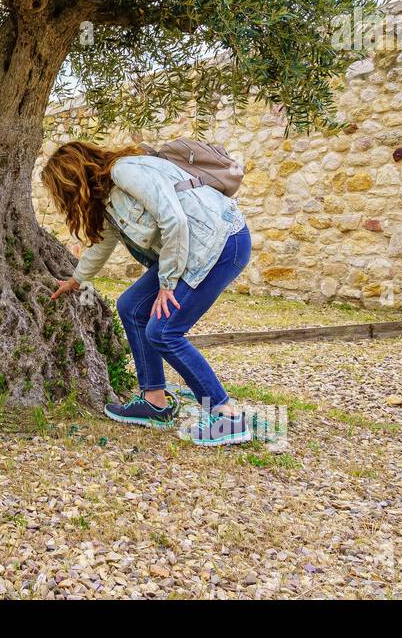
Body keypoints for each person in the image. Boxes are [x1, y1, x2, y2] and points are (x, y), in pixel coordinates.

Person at [40, 140, 253, 446]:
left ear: (74, 178)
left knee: (164, 331)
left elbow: (174, 220)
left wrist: (167, 285)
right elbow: (102, 244)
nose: (62, 199)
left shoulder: (126, 171)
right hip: (190, 250)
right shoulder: (109, 197)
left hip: (219, 244)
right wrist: (76, 280)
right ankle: (155, 402)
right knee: (131, 306)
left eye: (61, 191)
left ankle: (227, 416)